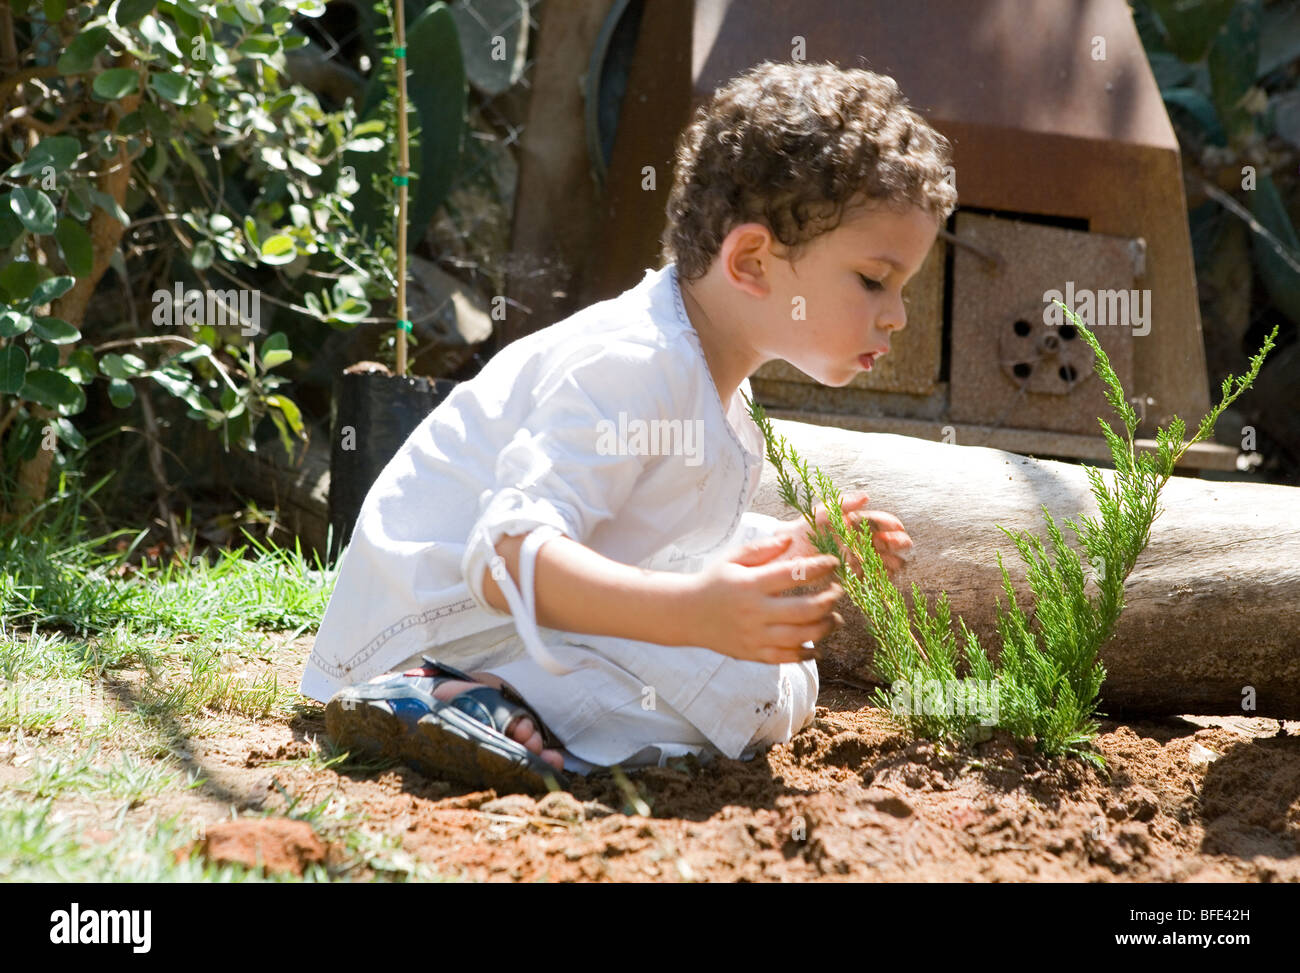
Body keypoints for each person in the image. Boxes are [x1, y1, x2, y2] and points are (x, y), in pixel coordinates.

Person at [304, 60, 957, 793]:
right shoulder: (632, 361)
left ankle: (506, 711)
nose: (896, 314)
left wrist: (779, 554)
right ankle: (447, 693)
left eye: (903, 286)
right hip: (439, 620)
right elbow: (502, 556)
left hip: (530, 618)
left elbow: (645, 538)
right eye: (874, 279)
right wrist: (693, 612)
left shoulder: (719, 392)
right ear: (751, 260)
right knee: (738, 683)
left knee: (776, 678)